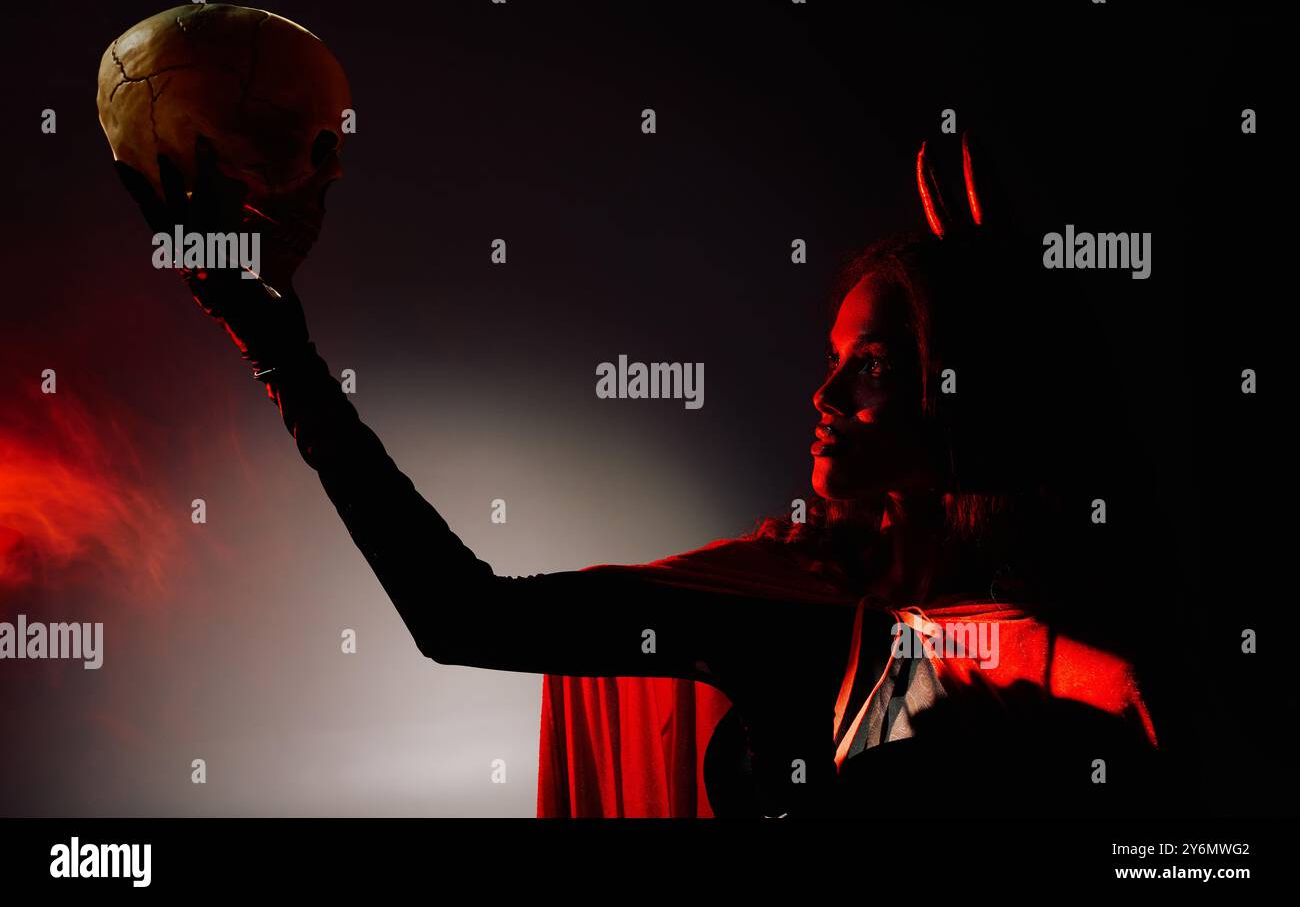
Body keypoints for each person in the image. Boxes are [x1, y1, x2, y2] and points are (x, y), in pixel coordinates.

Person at [112, 132, 1165, 818]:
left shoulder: (1038, 628)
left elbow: (1131, 704)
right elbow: (462, 613)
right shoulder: (782, 601)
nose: (827, 392)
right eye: (829, 360)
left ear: (957, 392)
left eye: (875, 367)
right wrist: (281, 356)